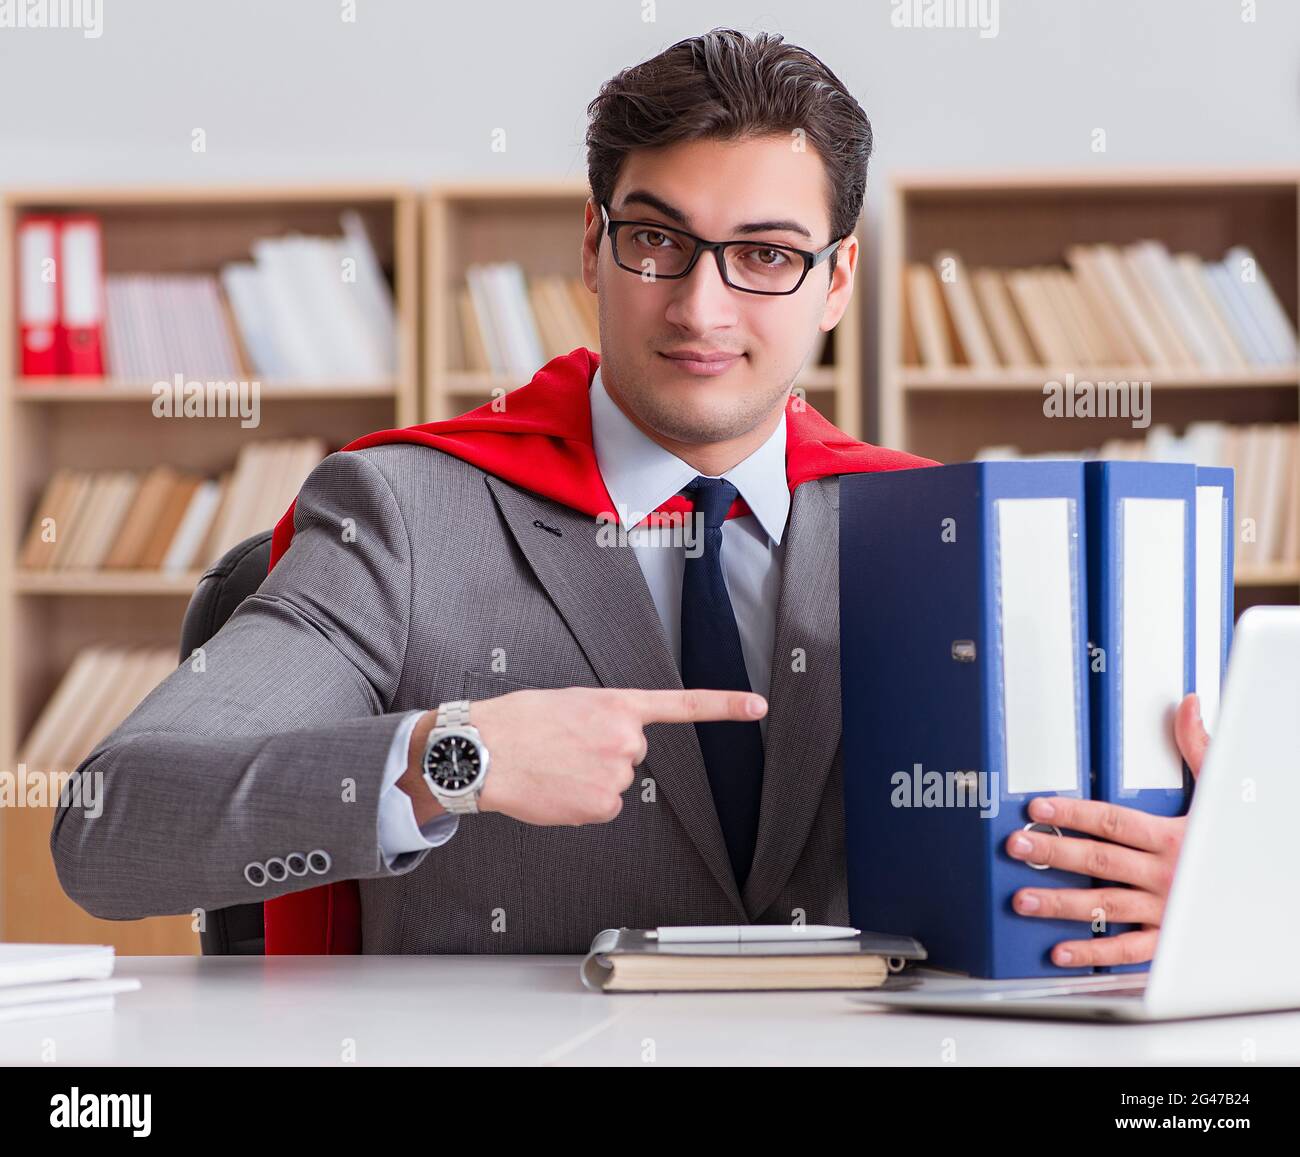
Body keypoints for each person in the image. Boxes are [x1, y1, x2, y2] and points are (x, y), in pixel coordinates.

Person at [52, 28, 1208, 962]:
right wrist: (448, 756)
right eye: (659, 241)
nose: (701, 309)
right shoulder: (401, 516)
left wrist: (1195, 883)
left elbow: (1137, 858)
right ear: (594, 249)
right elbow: (104, 831)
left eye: (764, 254)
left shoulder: (959, 538)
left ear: (839, 278)